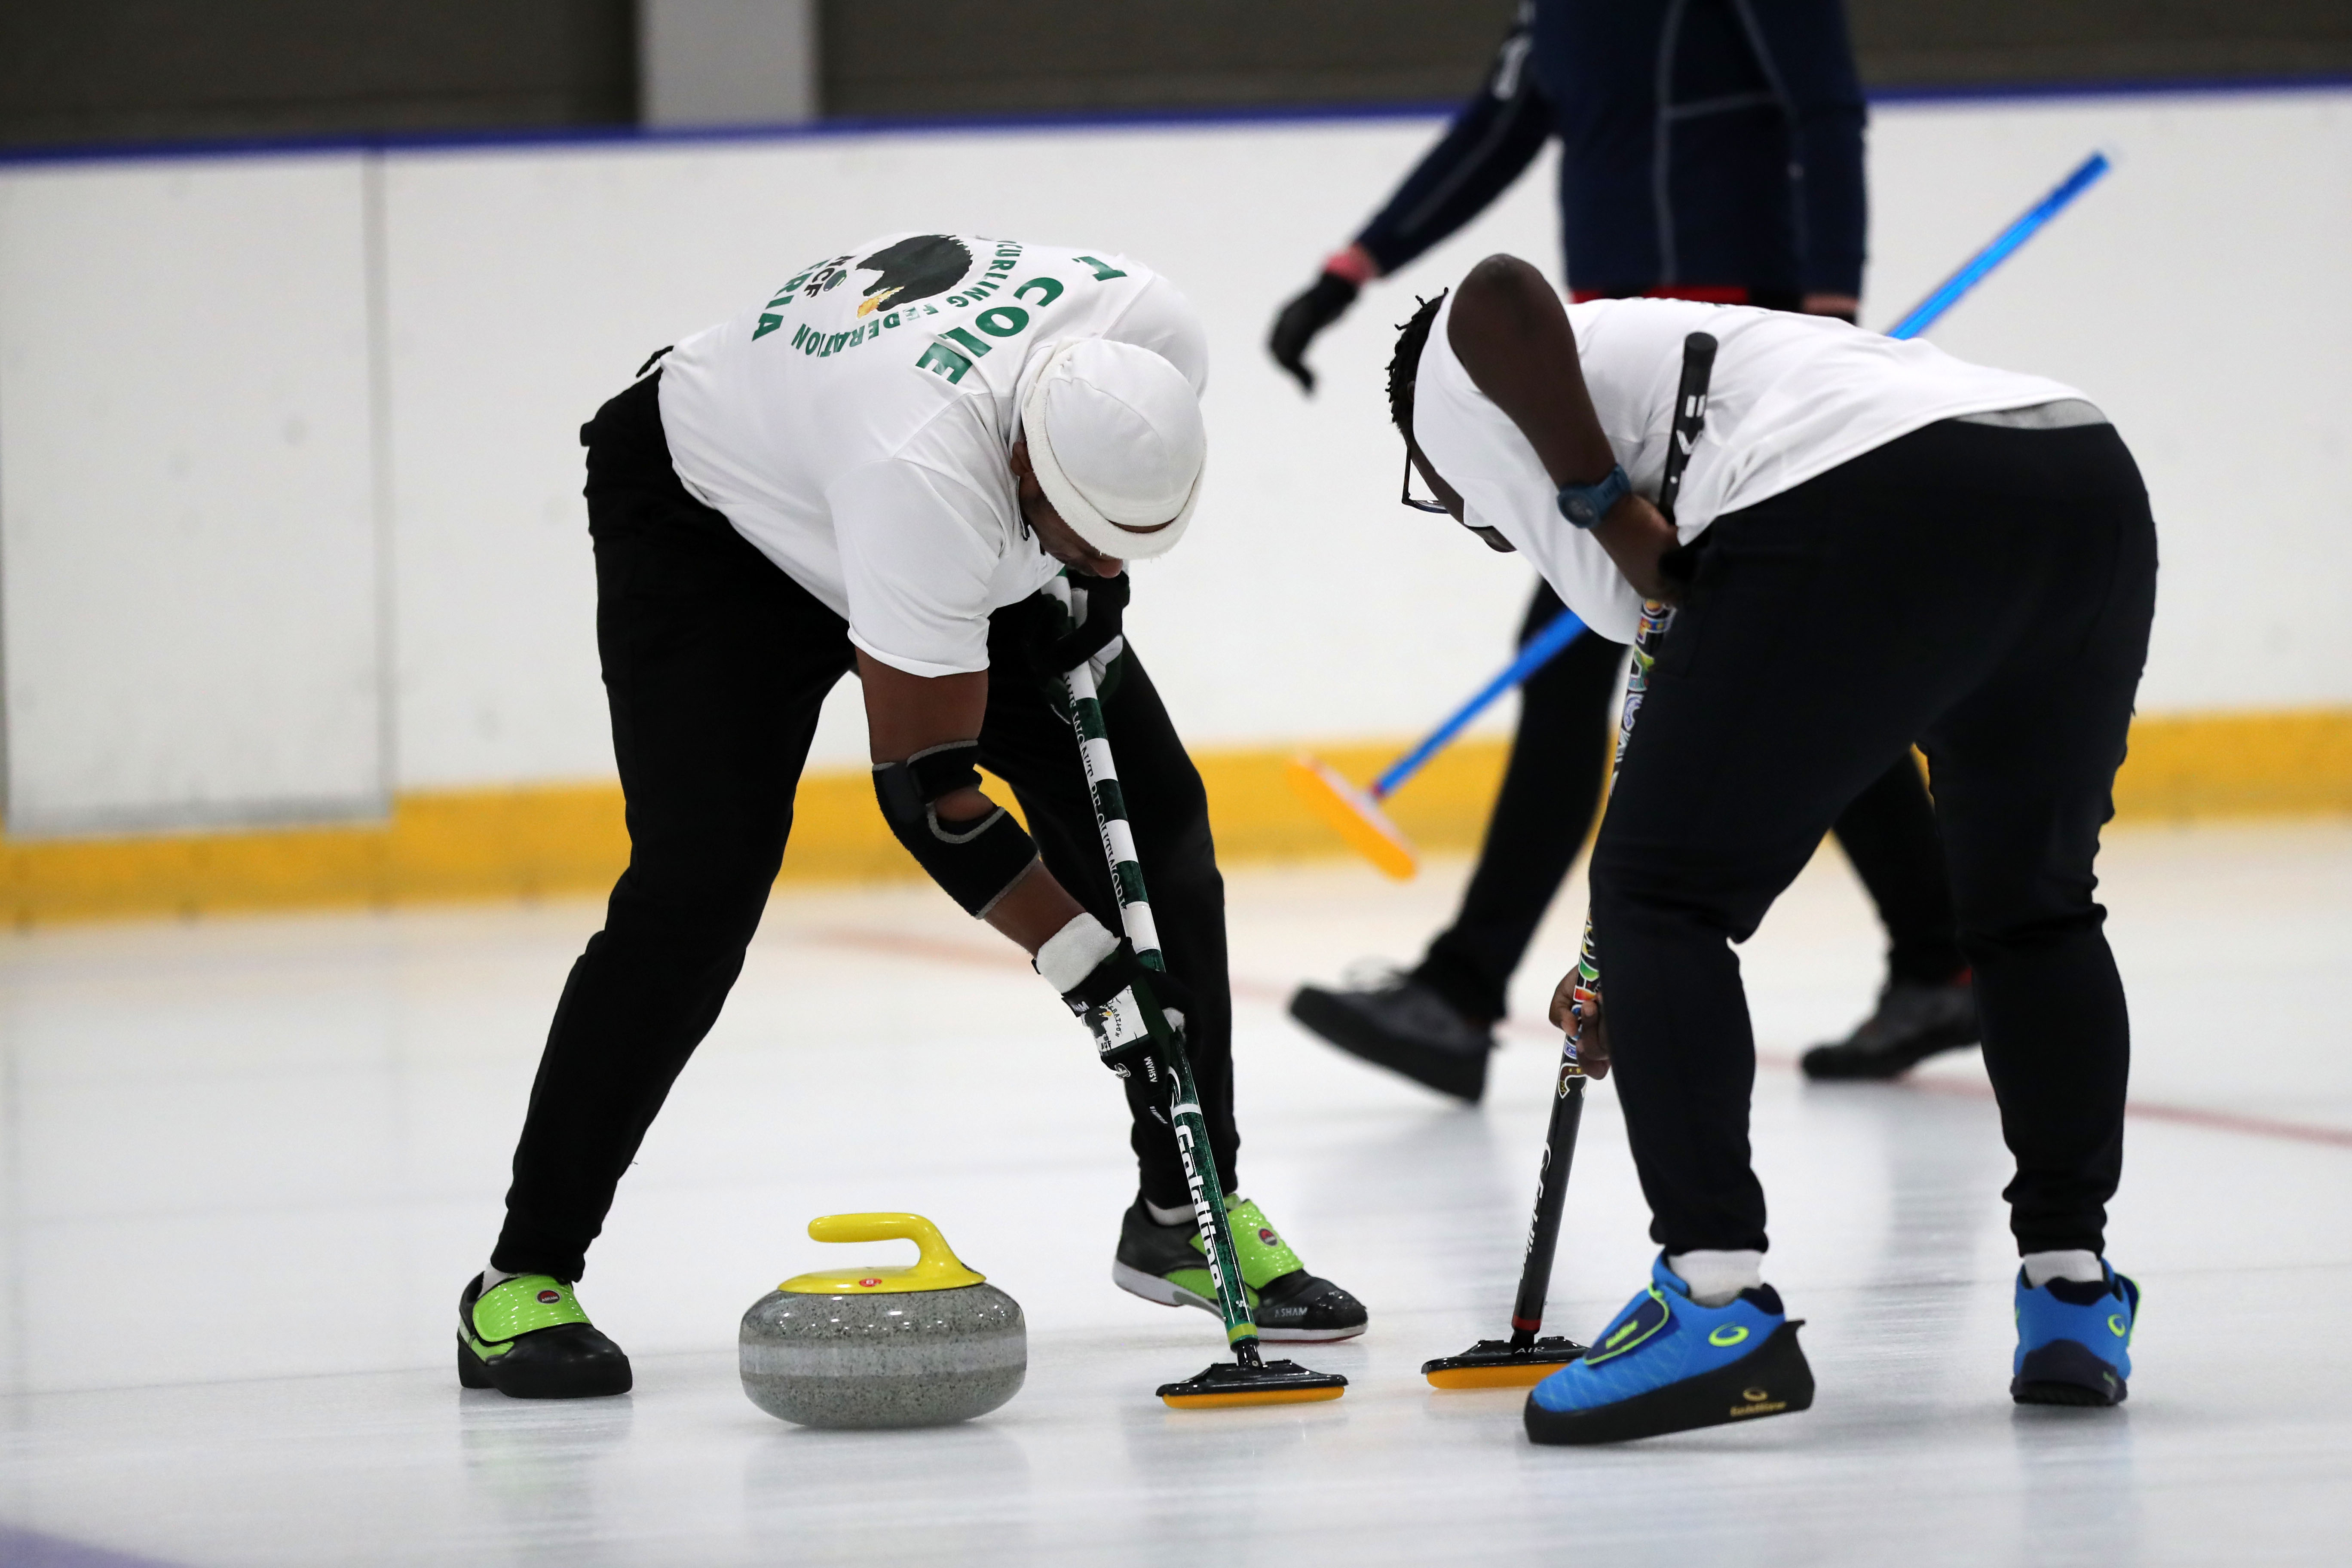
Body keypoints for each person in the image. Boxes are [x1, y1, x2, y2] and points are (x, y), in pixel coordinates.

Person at [456, 232, 1366, 1400]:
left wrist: (1081, 585)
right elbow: (931, 800)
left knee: (1157, 820)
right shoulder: (925, 482)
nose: (1094, 561)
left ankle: (1187, 1210)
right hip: (711, 525)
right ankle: (521, 1277)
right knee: (696, 894)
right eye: (1079, 538)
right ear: (1030, 477)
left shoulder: (1151, 332)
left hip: (913, 489)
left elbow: (1078, 563)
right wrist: (1089, 971)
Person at [1392, 254, 2152, 1440]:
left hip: (1878, 492)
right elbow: (1688, 656)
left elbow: (1490, 293)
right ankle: (2071, 1292)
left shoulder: (1457, 379)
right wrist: (1629, 987)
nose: (1479, 530)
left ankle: (1712, 1303)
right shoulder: (1703, 391)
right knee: (2031, 906)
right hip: (2078, 478)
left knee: (1659, 896)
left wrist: (1601, 504)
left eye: (1439, 499)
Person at [1270, 0, 1975, 1099]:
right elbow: (1497, 133)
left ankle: (1462, 989)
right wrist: (1353, 269)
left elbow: (1826, 113)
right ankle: (1942, 959)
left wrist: (1833, 310)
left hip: (1733, 367)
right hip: (1606, 372)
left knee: (1578, 664)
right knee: (1775, 668)